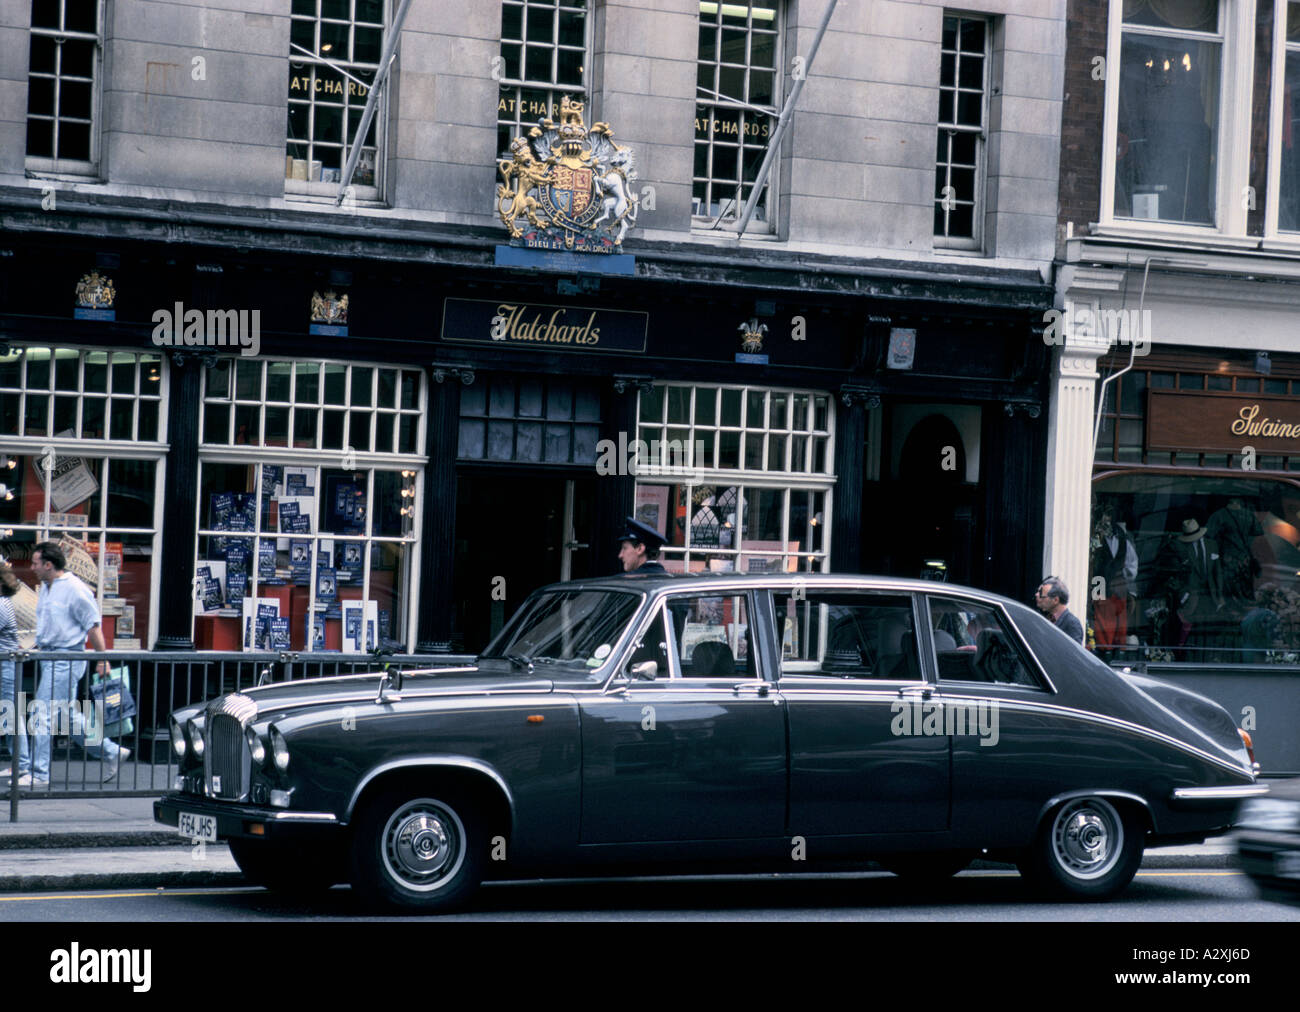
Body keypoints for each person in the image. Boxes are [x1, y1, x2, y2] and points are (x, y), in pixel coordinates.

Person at [22, 541, 129, 787]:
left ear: (48, 565)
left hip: (65, 659)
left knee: (43, 714)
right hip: (52, 657)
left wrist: (102, 658)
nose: (32, 568)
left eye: (36, 563)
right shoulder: (48, 586)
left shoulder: (75, 589)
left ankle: (39, 774)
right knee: (67, 718)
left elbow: (93, 626)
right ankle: (112, 752)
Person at [0, 558, 25, 778]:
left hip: (6, 666)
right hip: (5, 665)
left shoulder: (0, 605)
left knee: (10, 716)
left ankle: (22, 763)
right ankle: (21, 763)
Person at [1035, 575, 1085, 645]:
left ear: (1055, 600)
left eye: (1041, 594)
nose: (1036, 595)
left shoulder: (1072, 624)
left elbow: (1073, 653)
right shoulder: (1045, 617)